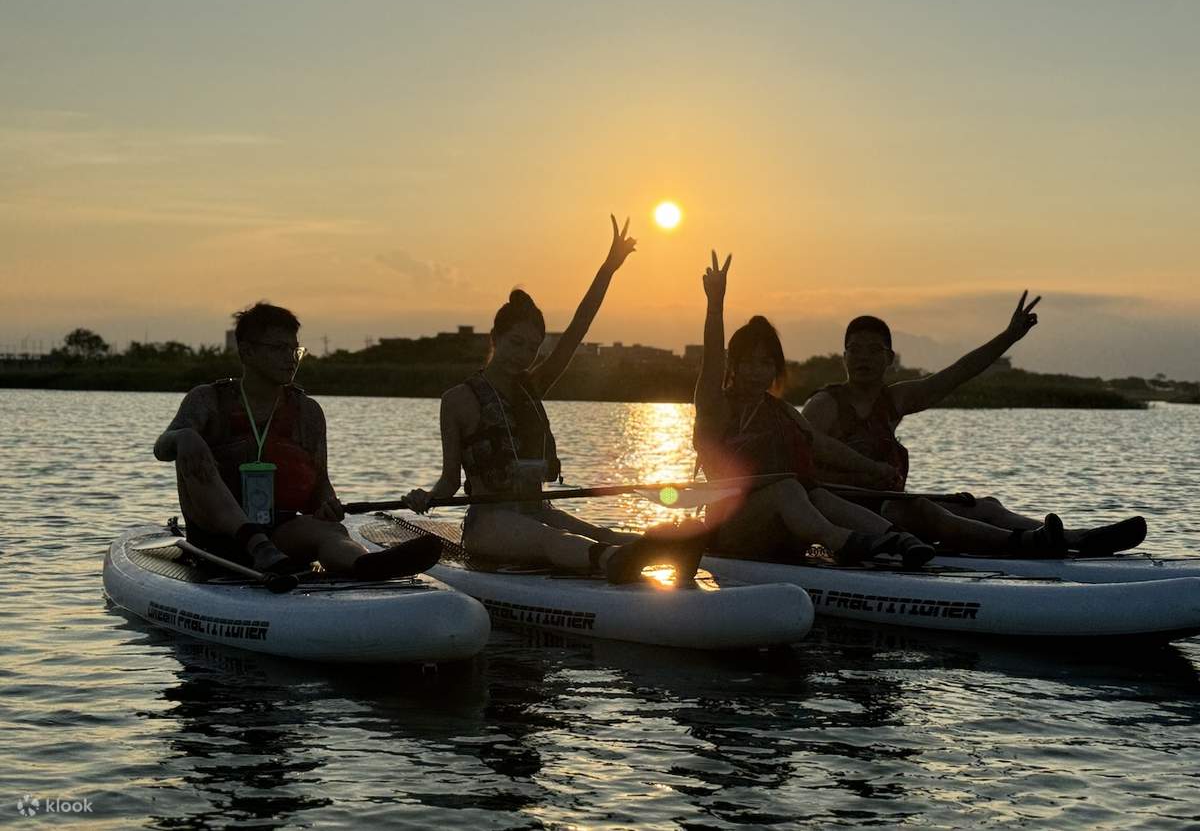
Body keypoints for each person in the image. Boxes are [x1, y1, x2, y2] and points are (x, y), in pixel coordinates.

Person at [404, 216, 699, 584]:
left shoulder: (532, 387)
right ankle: (613, 562)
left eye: (532, 348)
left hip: (536, 510)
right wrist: (427, 496)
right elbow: (449, 481)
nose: (523, 356)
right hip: (489, 523)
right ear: (495, 338)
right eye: (515, 344)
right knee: (552, 539)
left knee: (603, 532)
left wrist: (608, 269)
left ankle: (674, 551)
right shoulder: (457, 400)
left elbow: (578, 327)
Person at [691, 251, 1020, 569]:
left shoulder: (782, 412)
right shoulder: (717, 408)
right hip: (730, 530)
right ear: (733, 366)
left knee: (814, 494)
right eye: (748, 363)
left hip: (779, 530)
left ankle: (895, 539)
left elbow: (822, 446)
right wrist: (715, 306)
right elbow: (710, 364)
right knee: (789, 488)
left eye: (765, 363)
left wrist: (874, 469)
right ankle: (845, 542)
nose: (756, 372)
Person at [800, 294, 1146, 556]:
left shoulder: (895, 400)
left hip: (891, 506)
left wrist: (1009, 337)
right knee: (915, 507)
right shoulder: (825, 404)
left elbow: (959, 372)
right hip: (850, 520)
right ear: (844, 357)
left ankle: (1077, 538)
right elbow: (804, 459)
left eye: (873, 350)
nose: (862, 358)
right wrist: (867, 470)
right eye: (854, 350)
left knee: (984, 506)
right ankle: (1026, 544)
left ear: (889, 359)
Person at [154, 302, 443, 578]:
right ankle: (254, 542)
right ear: (247, 352)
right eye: (279, 349)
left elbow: (320, 484)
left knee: (331, 532)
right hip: (216, 538)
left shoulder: (308, 412)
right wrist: (183, 436)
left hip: (280, 538)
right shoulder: (206, 400)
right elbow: (161, 449)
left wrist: (327, 504)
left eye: (295, 349)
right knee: (189, 445)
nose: (290, 358)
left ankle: (365, 564)